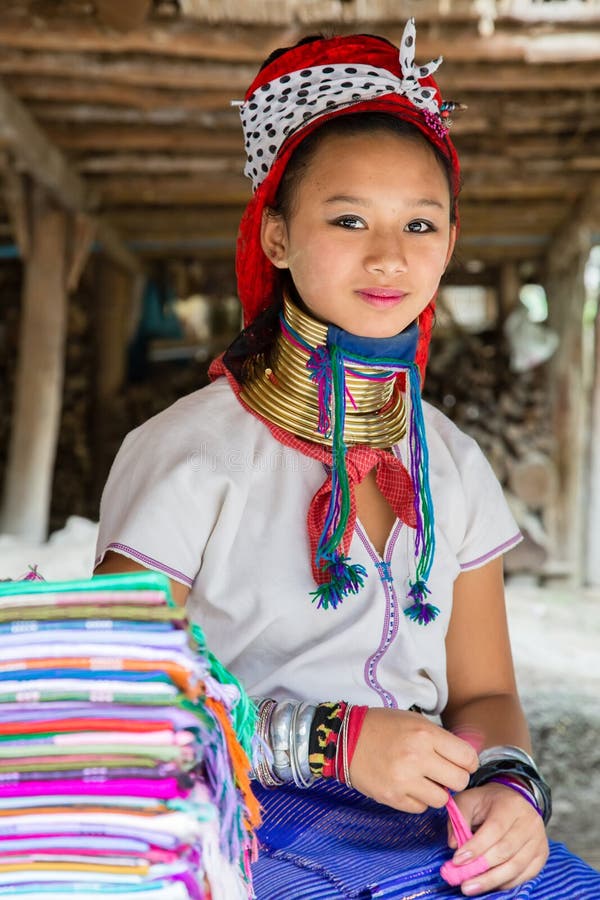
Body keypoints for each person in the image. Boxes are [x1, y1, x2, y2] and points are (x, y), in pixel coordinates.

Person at [95, 21, 600, 899]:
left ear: (448, 244)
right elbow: (108, 696)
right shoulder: (193, 452)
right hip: (227, 812)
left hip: (423, 822)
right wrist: (324, 742)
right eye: (348, 217)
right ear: (278, 237)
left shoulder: (454, 463)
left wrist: (511, 788)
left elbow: (482, 698)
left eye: (419, 223)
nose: (388, 254)